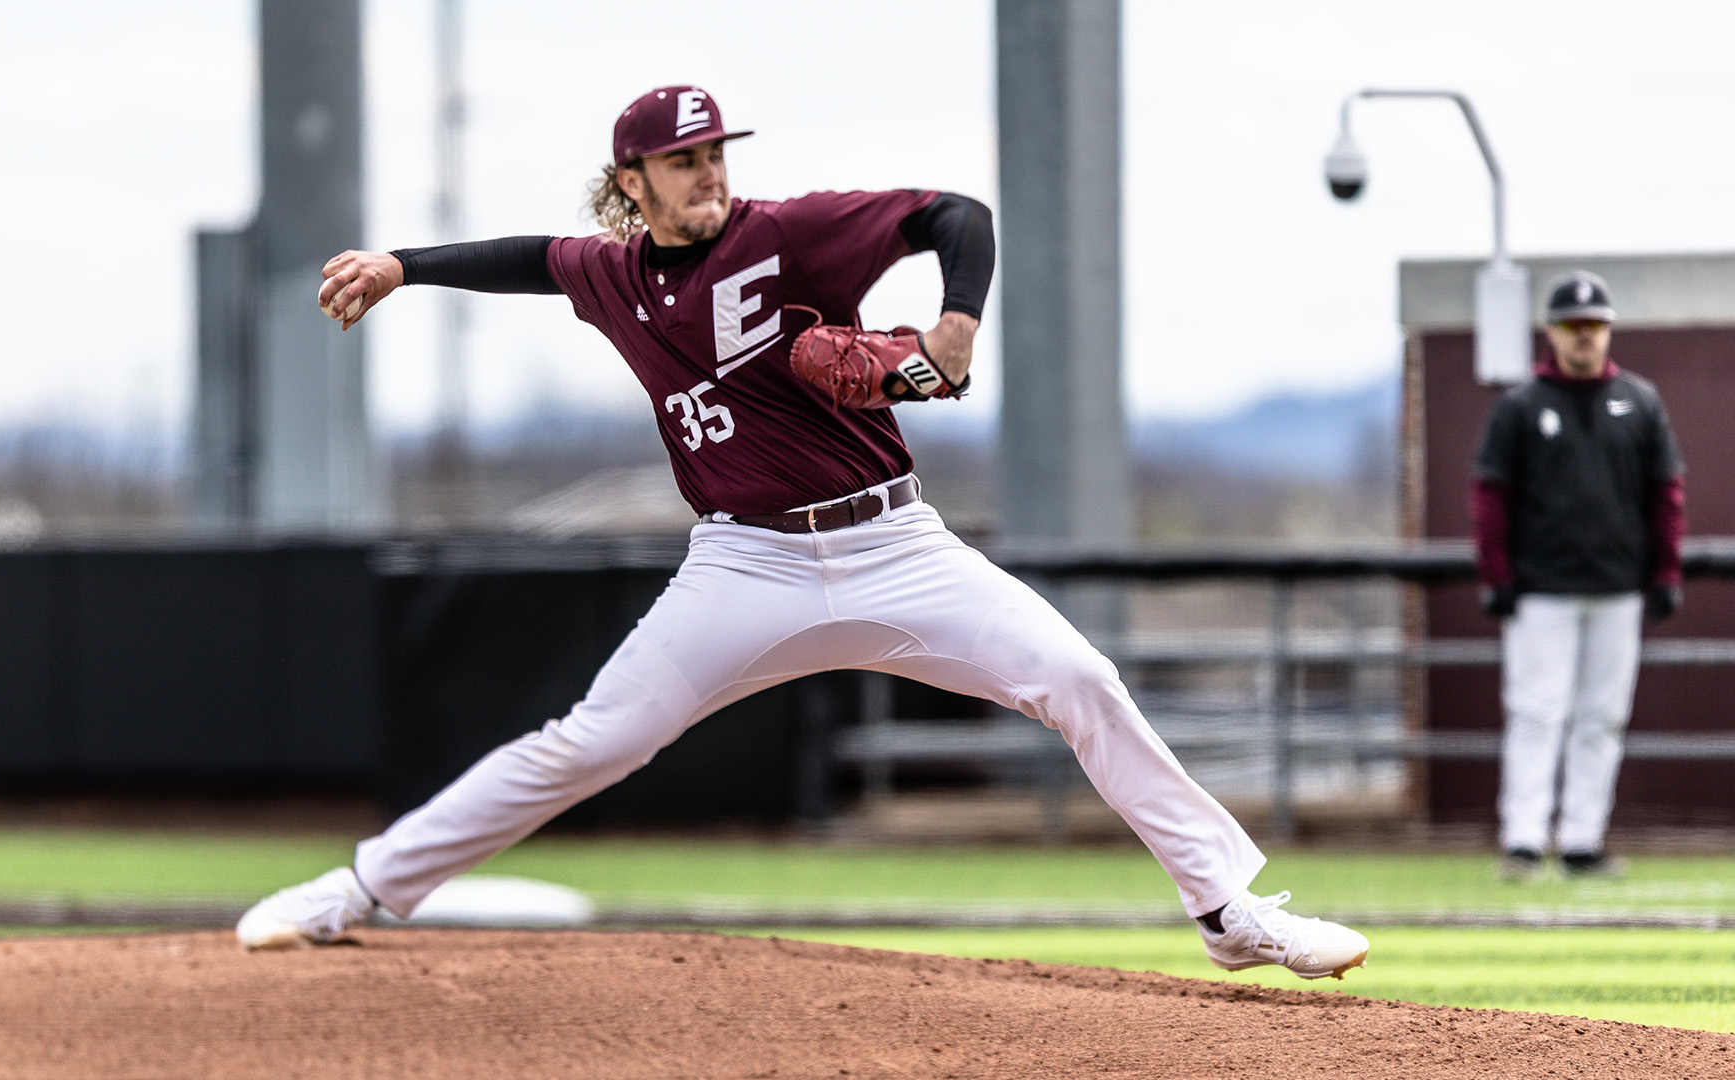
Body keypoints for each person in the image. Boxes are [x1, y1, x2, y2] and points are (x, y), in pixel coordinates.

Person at [236, 85, 1369, 979]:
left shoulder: (791, 236)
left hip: (896, 544)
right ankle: (358, 890)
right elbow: (529, 259)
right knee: (590, 743)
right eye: (682, 159)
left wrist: (956, 325)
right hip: (745, 561)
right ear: (630, 180)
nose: (708, 173)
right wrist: (400, 266)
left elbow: (952, 216)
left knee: (1078, 676)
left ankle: (1229, 911)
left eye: (716, 152)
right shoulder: (613, 275)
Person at [1471, 269, 1686, 881]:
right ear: (1552, 332)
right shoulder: (1520, 406)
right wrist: (1497, 573)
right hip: (1542, 590)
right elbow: (1490, 493)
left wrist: (1665, 571)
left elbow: (1665, 493)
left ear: (1608, 331)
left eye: (1594, 325)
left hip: (1618, 588)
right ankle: (1522, 840)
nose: (1584, 336)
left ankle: (1582, 842)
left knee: (1602, 716)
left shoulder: (1640, 402)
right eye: (1573, 325)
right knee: (1537, 713)